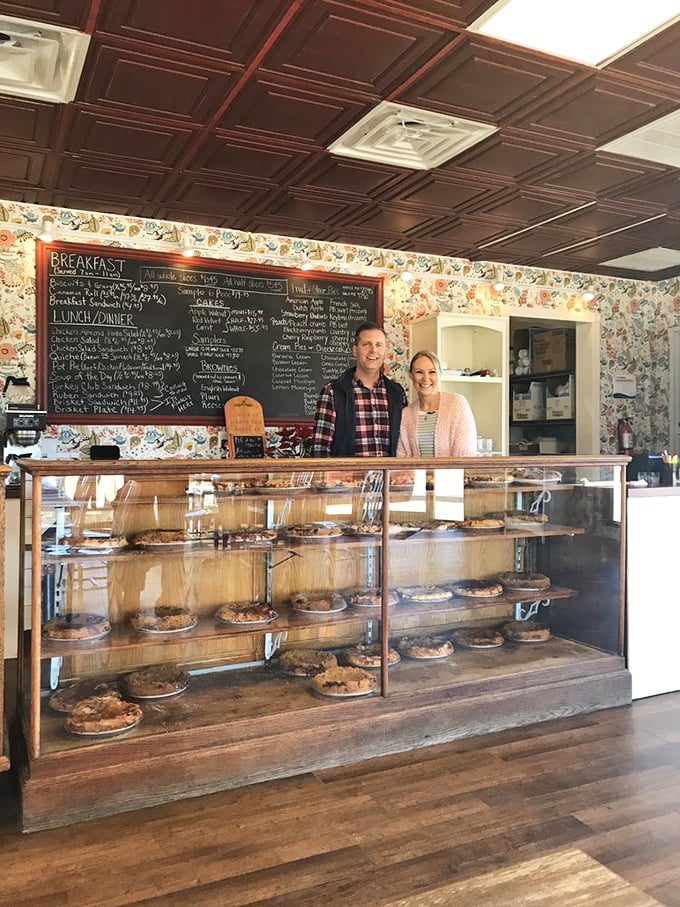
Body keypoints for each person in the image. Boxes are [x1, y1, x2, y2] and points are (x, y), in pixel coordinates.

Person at [311, 322, 407, 456]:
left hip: (388, 476)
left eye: (379, 345)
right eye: (366, 344)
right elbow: (320, 450)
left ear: (385, 351)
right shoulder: (333, 392)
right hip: (346, 476)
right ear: (355, 350)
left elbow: (405, 443)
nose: (373, 350)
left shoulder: (397, 393)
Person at [397, 350, 478, 457]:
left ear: (440, 374)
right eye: (419, 372)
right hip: (415, 474)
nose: (426, 378)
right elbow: (402, 458)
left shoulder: (457, 404)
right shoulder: (406, 414)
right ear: (411, 376)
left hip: (453, 474)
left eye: (432, 372)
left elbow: (465, 456)